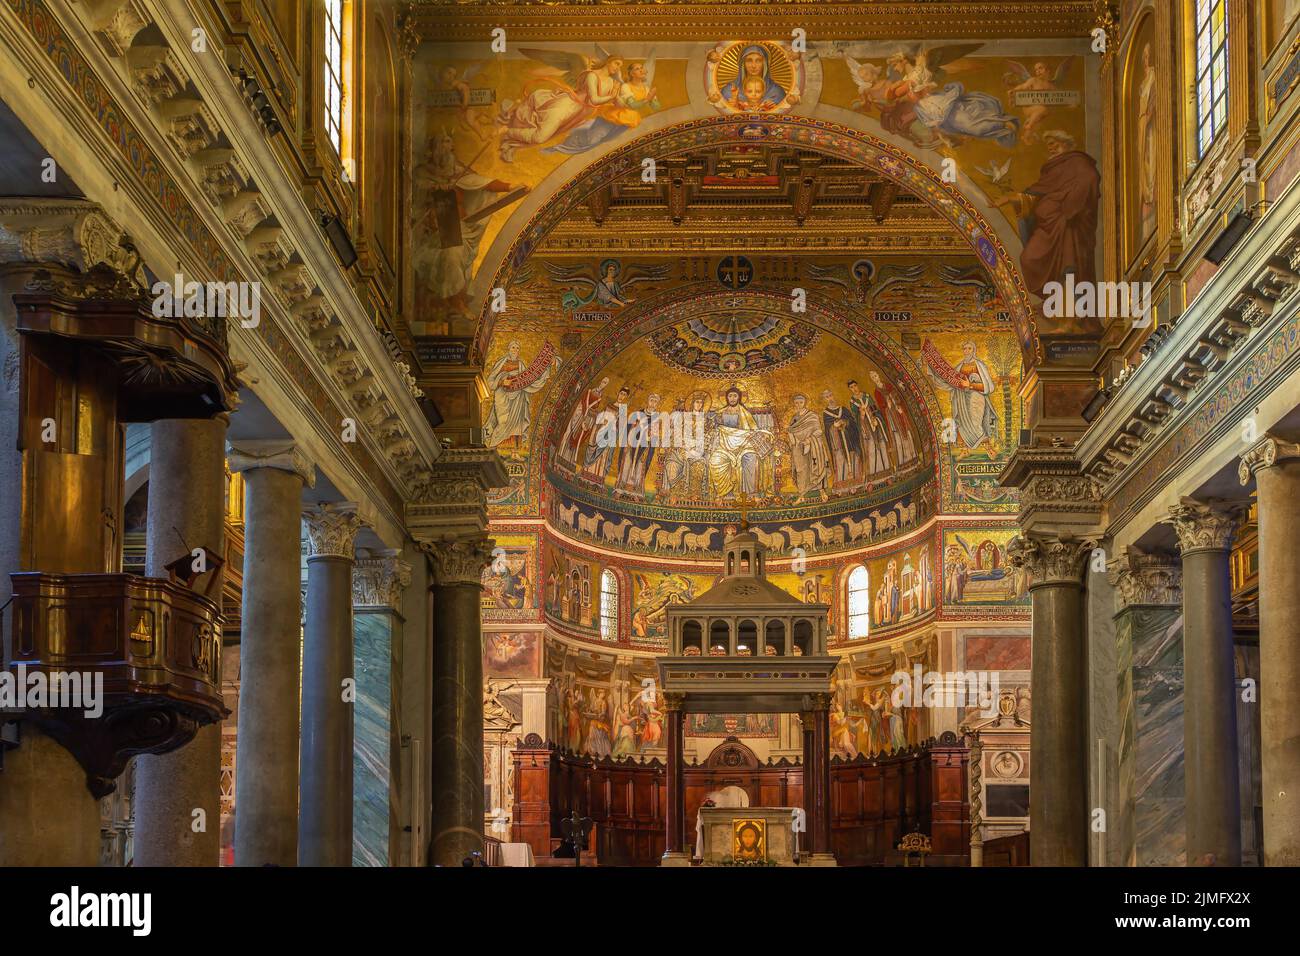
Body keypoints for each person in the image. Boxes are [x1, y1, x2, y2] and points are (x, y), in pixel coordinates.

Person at [992, 129, 1100, 325]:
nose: (1051, 146)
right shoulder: (1053, 169)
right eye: (1049, 143)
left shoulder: (1078, 162)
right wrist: (1010, 198)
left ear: (1067, 144)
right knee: (1029, 258)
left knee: (1069, 267)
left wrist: (1071, 207)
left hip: (1067, 226)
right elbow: (1037, 193)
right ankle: (1054, 301)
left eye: (1055, 142)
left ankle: (1070, 317)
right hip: (1048, 227)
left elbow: (1089, 179)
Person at [484, 340, 559, 451]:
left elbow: (530, 380)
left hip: (518, 398)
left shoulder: (521, 365)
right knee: (503, 422)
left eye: (517, 348)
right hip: (502, 397)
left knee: (516, 425)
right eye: (513, 347)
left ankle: (515, 452)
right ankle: (492, 446)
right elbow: (489, 382)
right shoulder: (501, 363)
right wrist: (501, 382)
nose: (515, 350)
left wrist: (546, 365)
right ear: (508, 349)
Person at [785, 393, 831, 501]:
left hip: (812, 446)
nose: (799, 405)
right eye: (796, 403)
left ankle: (822, 492)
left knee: (815, 467)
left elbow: (819, 430)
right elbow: (791, 431)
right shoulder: (794, 418)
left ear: (805, 402)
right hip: (798, 448)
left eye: (801, 402)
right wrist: (790, 434)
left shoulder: (812, 416)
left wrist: (809, 440)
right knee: (801, 470)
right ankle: (802, 495)